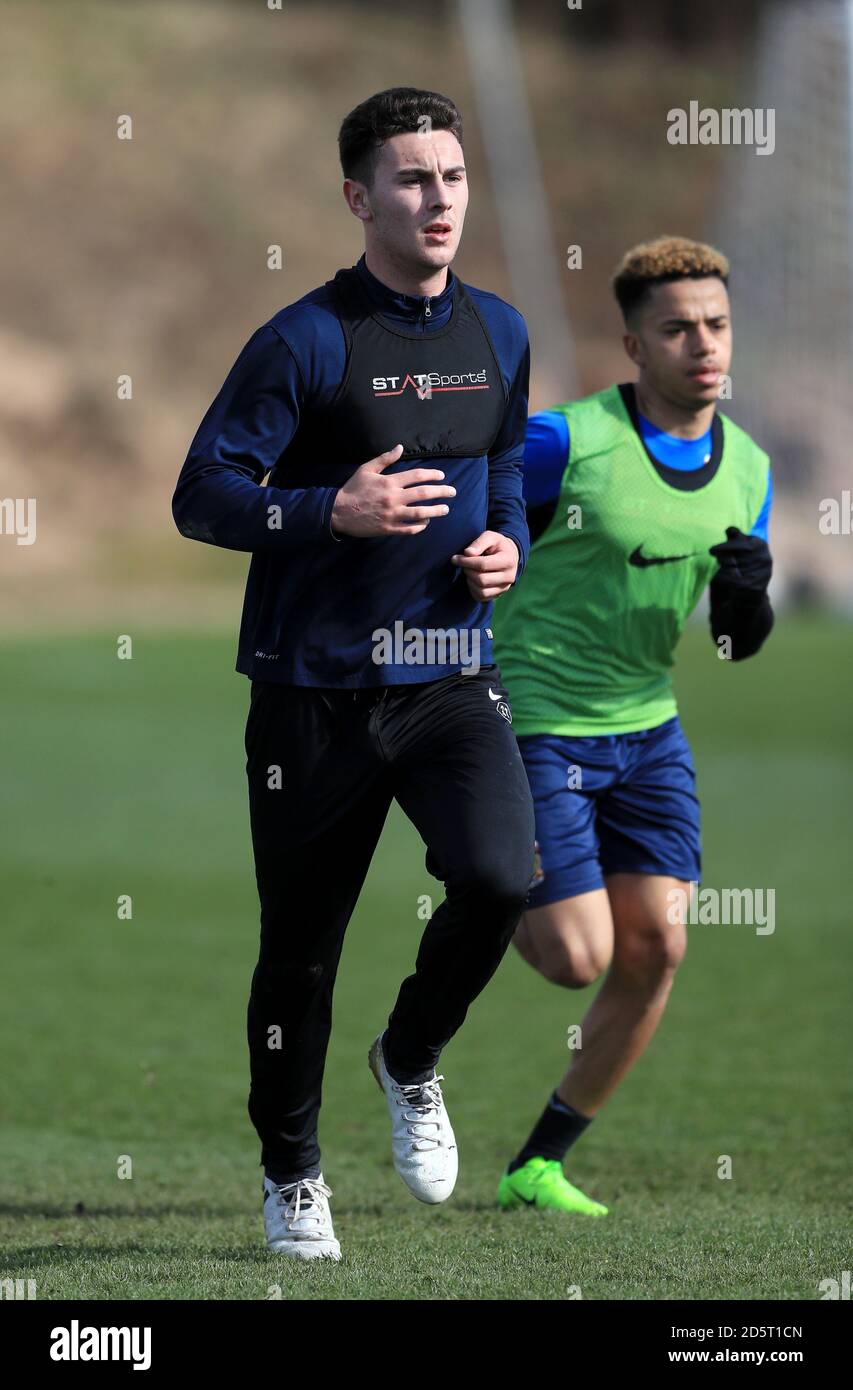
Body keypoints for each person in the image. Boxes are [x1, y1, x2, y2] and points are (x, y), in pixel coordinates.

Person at [171, 87, 535, 1259]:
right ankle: (292, 1174)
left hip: (446, 673)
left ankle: (411, 1055)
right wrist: (331, 507)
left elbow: (510, 472)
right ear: (358, 196)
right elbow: (201, 496)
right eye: (413, 178)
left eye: (453, 176)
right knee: (301, 949)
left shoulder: (504, 334)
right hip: (313, 690)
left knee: (501, 877)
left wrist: (507, 546)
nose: (439, 199)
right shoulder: (302, 340)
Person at [491, 236, 774, 1215]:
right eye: (676, 328)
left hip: (648, 730)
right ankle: (477, 851)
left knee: (656, 947)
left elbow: (735, 642)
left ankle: (538, 1164)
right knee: (577, 958)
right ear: (632, 344)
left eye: (715, 323)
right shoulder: (562, 443)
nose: (702, 344)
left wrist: (748, 607)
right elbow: (468, 544)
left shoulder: (751, 468)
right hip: (535, 724)